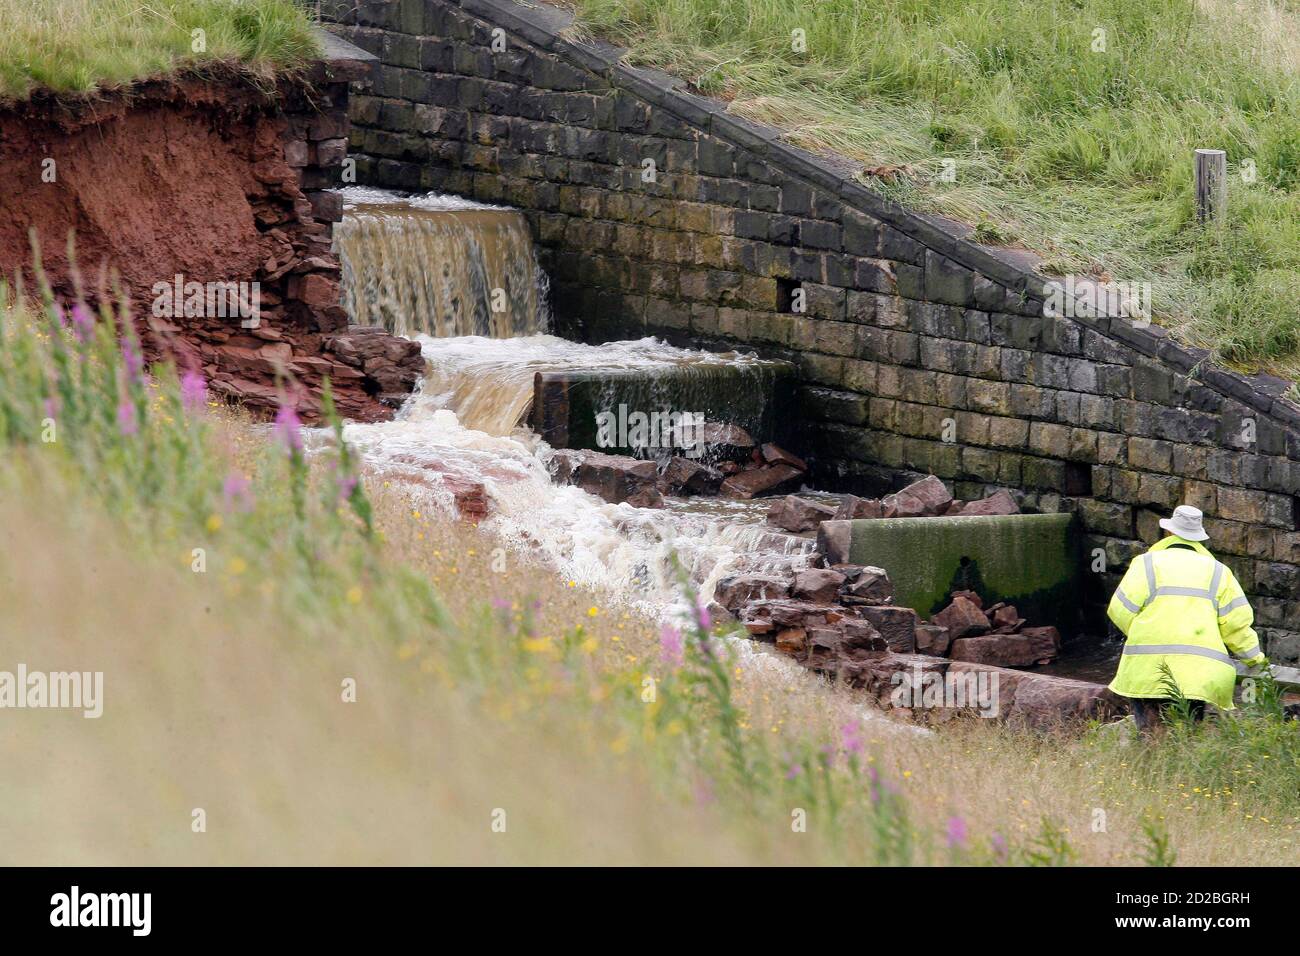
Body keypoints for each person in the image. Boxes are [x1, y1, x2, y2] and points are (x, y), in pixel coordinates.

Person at [1107, 505, 1268, 734]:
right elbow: (1236, 626)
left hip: (1146, 670)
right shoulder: (1219, 572)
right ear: (1199, 538)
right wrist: (1255, 659)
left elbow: (1119, 610)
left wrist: (1144, 631)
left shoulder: (1146, 563)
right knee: (1187, 734)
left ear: (1169, 532)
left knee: (1150, 735)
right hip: (1197, 677)